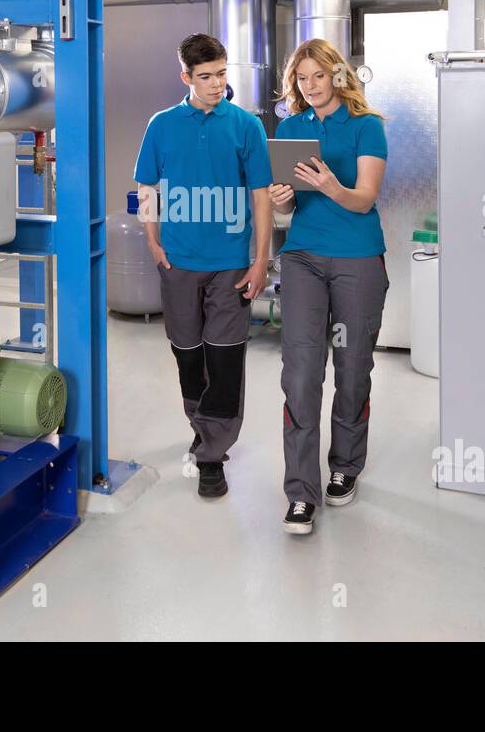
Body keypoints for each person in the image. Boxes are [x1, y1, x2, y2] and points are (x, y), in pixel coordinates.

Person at [134, 33, 273, 499]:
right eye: (206, 77)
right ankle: (201, 424)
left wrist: (260, 260)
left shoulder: (246, 126)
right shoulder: (162, 124)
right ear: (186, 78)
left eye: (221, 74)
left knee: (226, 356)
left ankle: (213, 453)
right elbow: (147, 188)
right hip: (178, 262)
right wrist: (153, 242)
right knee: (188, 354)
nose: (217, 84)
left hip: (231, 264)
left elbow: (260, 197)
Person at [269, 38, 389, 534]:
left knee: (352, 367)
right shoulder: (291, 128)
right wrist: (281, 199)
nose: (310, 86)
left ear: (337, 76)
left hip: (358, 258)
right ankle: (300, 492)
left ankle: (345, 466)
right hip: (302, 258)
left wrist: (327, 186)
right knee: (300, 372)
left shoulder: (367, 127)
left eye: (319, 76)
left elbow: (362, 200)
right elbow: (287, 208)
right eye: (302, 78)